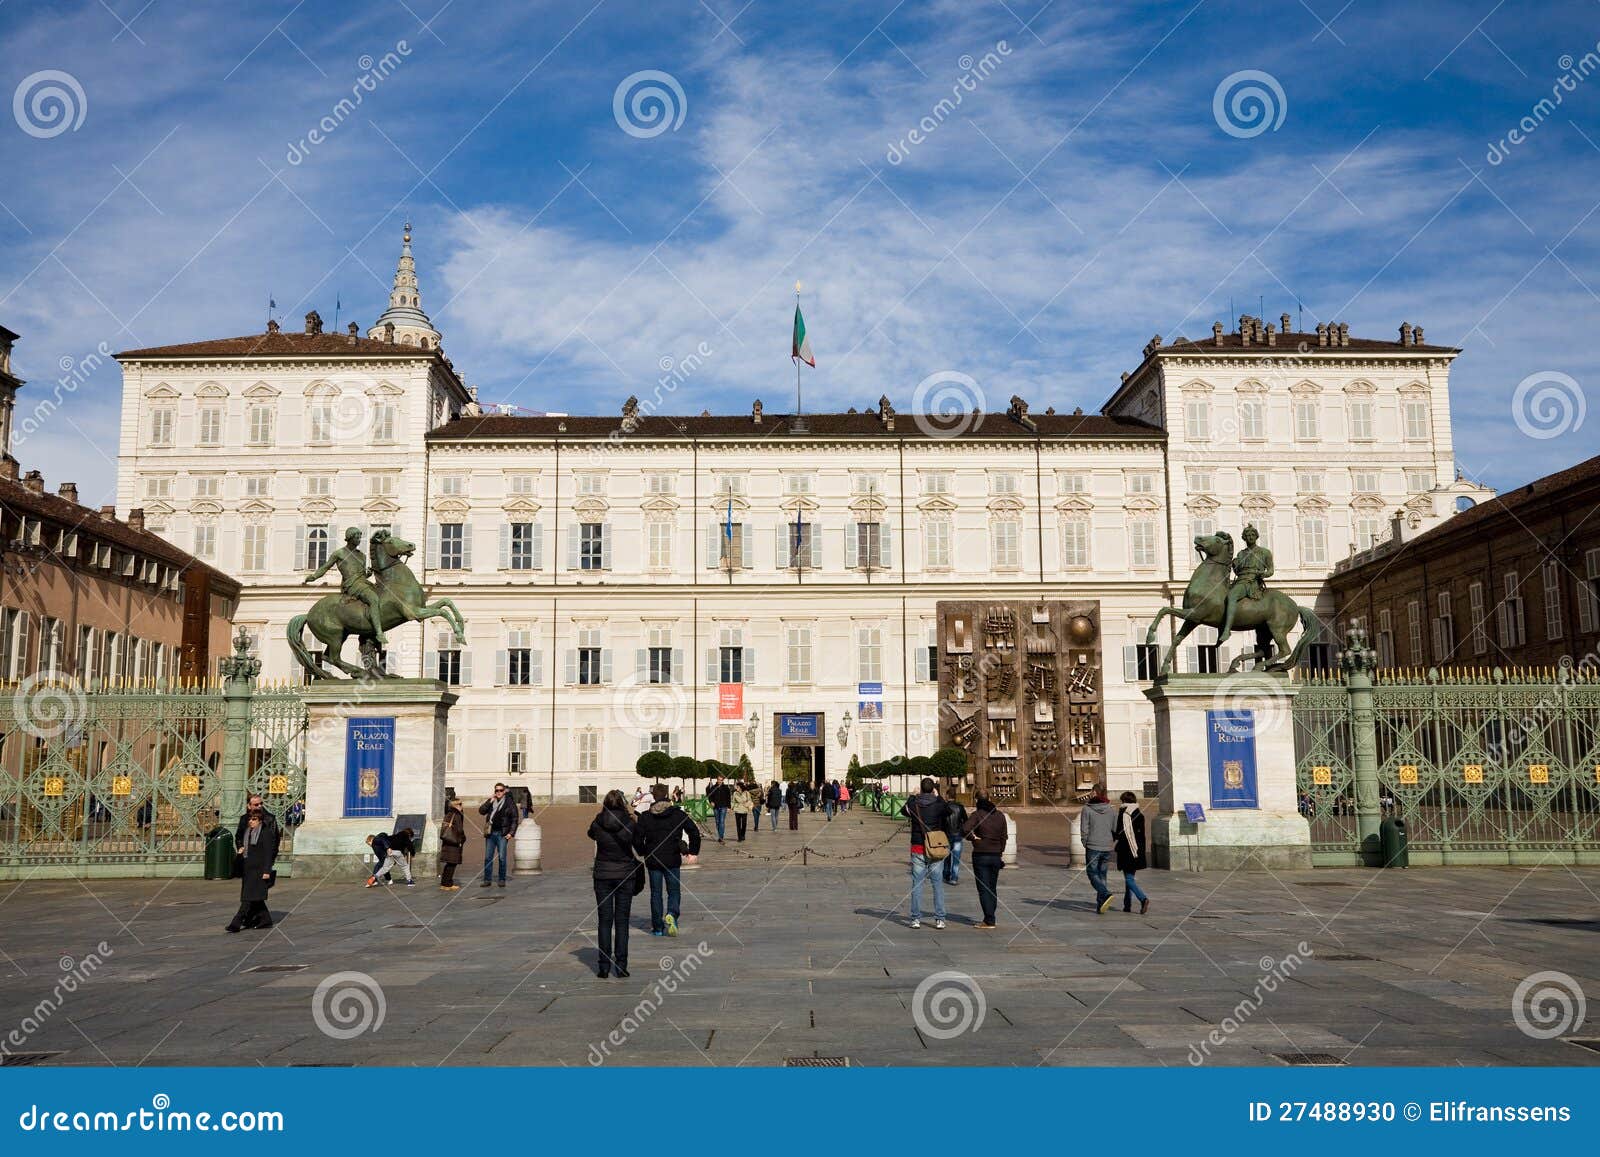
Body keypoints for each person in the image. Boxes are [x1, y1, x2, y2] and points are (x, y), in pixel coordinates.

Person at [634, 783, 701, 937]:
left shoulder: (645, 817)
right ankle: (672, 914)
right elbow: (694, 832)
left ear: (653, 797)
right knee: (673, 891)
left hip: (653, 860)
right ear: (667, 795)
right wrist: (693, 852)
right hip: (672, 858)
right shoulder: (677, 814)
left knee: (656, 893)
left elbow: (636, 838)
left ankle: (658, 927)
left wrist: (643, 851)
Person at [303, 526, 388, 646]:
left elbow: (361, 574)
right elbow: (325, 567)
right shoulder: (340, 553)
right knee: (373, 600)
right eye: (357, 537)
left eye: (360, 537)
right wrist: (314, 576)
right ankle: (379, 632)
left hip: (363, 583)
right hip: (351, 585)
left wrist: (367, 574)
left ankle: (370, 631)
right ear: (350, 538)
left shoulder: (362, 556)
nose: (359, 539)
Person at [588, 790, 639, 978]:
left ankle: (603, 966)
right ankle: (621, 964)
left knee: (604, 921)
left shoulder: (598, 821)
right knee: (622, 921)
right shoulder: (630, 823)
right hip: (625, 873)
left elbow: (590, 834)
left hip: (602, 874)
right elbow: (639, 847)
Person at [900, 778, 952, 929]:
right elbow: (948, 810)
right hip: (935, 847)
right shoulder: (937, 804)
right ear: (933, 789)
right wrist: (938, 796)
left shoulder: (914, 803)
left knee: (917, 884)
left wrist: (912, 795)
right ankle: (940, 918)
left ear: (921, 790)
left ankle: (915, 919)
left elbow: (903, 810)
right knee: (937, 884)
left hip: (918, 847)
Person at [1217, 524, 1274, 646]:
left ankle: (1227, 630)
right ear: (1244, 538)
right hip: (1239, 580)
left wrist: (1262, 574)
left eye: (1253, 535)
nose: (1250, 537)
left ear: (1257, 536)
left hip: (1251, 582)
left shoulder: (1265, 552)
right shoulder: (1241, 554)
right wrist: (1235, 565)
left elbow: (1270, 570)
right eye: (1248, 535)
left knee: (1232, 596)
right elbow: (1237, 572)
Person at [225, 810, 278, 932]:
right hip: (248, 869)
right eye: (250, 819)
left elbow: (268, 854)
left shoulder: (266, 833)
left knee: (247, 898)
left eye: (254, 819)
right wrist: (241, 852)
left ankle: (236, 923)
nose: (251, 821)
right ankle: (266, 919)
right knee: (256, 898)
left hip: (259, 871)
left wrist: (266, 871)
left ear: (260, 821)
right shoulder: (248, 832)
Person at [963, 794, 1007, 928]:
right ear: (989, 799)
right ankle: (990, 916)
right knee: (992, 887)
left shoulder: (977, 814)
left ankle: (989, 919)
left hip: (981, 854)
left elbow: (964, 829)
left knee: (983, 888)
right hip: (995, 855)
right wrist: (1000, 851)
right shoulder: (1000, 815)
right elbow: (1004, 836)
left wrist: (974, 838)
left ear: (977, 800)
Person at [1079, 784, 1117, 914]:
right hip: (1106, 846)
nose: (1090, 793)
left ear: (1094, 792)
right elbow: (1115, 828)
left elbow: (1084, 828)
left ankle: (1105, 893)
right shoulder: (1111, 809)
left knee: (1092, 873)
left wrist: (1085, 841)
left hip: (1093, 845)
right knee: (1102, 874)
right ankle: (1101, 903)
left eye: (1091, 791)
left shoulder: (1087, 809)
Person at [1114, 791, 1150, 914]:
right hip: (1137, 851)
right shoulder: (1140, 814)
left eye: (1122, 801)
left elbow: (1119, 833)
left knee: (1129, 879)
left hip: (1126, 851)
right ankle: (1127, 905)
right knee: (1129, 877)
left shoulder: (1124, 814)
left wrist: (1112, 834)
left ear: (1124, 801)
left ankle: (1143, 898)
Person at [478, 782, 518, 888]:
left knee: (502, 858)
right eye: (496, 790)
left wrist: (511, 833)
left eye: (500, 790)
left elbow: (514, 818)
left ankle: (501, 879)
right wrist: (489, 801)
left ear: (504, 791)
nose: (498, 792)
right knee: (487, 857)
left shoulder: (509, 803)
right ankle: (487, 879)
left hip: (502, 834)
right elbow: (481, 811)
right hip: (490, 833)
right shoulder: (492, 801)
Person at [438, 797, 466, 890]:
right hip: (454, 842)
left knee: (449, 864)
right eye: (460, 804)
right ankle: (447, 884)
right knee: (452, 863)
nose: (462, 806)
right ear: (455, 805)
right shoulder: (456, 814)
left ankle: (444, 883)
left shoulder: (449, 813)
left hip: (448, 841)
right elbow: (459, 830)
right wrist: (462, 839)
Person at [943, 791, 969, 886]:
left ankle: (946, 875)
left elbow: (941, 821)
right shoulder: (960, 807)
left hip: (946, 834)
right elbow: (966, 820)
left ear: (947, 796)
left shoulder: (944, 807)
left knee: (946, 856)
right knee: (956, 858)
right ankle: (954, 877)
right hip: (958, 835)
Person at [707, 775, 732, 843]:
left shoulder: (726, 788)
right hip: (716, 807)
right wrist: (711, 801)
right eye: (718, 779)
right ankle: (720, 836)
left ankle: (721, 837)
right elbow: (710, 796)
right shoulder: (713, 787)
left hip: (723, 806)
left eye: (721, 780)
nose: (719, 781)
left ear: (722, 780)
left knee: (721, 822)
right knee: (717, 822)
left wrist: (729, 807)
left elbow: (728, 798)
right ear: (717, 780)